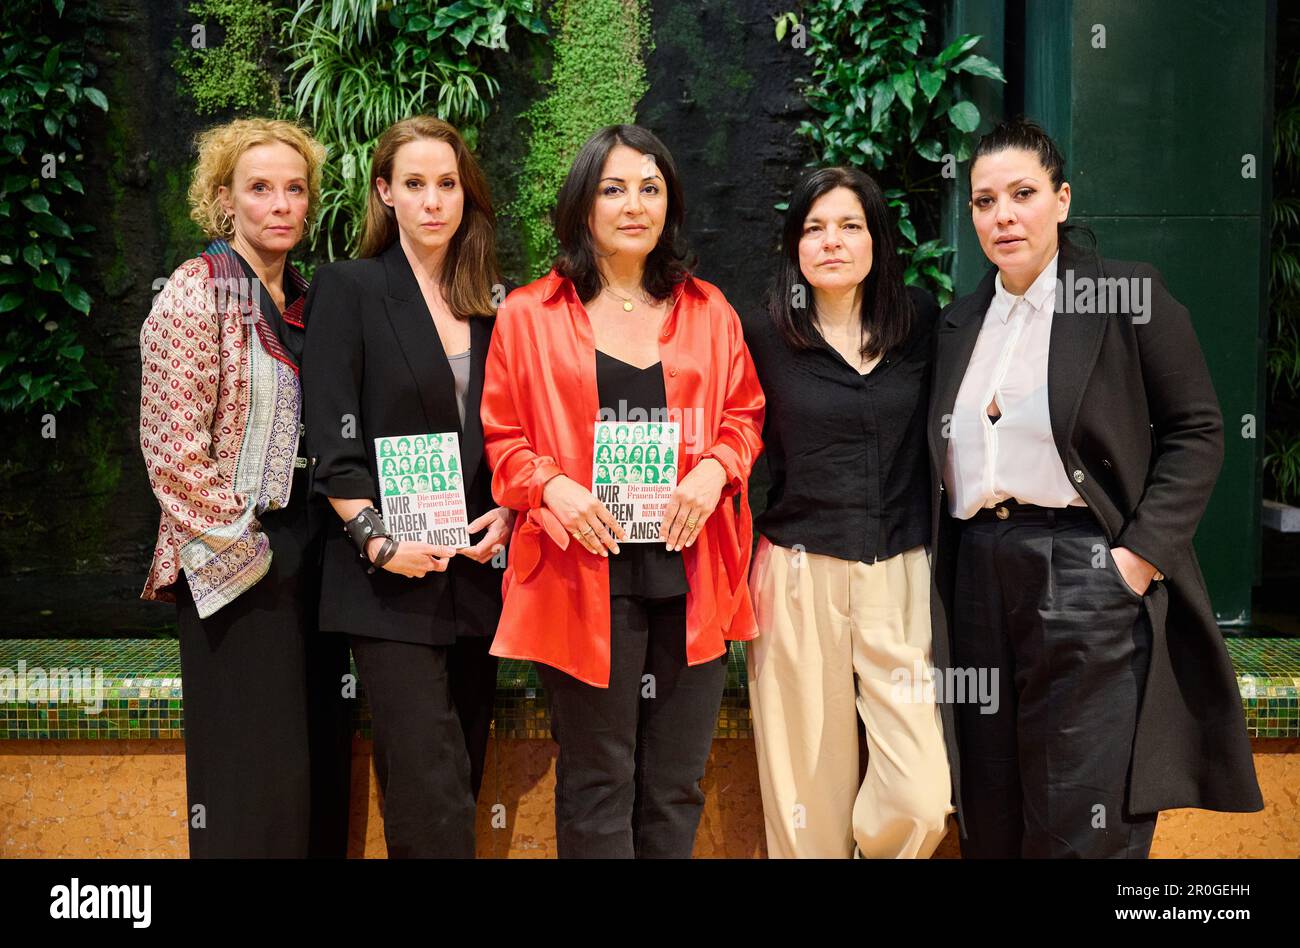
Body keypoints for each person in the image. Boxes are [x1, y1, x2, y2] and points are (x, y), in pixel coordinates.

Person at [929, 118, 1263, 858]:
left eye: (1022, 194)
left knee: (1080, 815)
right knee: (989, 804)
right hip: (977, 572)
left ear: (1063, 199)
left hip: (1083, 568)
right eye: (985, 202)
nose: (1003, 216)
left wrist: (1136, 560)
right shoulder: (962, 319)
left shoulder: (1123, 295)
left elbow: (1200, 431)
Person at [480, 124, 765, 858]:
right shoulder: (528, 314)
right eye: (613, 189)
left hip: (691, 574)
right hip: (582, 574)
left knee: (676, 784)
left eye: (650, 188)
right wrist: (550, 489)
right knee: (596, 782)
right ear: (583, 206)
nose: (633, 204)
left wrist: (715, 468)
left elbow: (745, 417)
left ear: (670, 204)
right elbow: (504, 442)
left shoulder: (710, 310)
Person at [139, 117, 351, 858]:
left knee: (311, 755)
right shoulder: (196, 294)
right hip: (234, 556)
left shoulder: (306, 297)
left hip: (314, 548)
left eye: (295, 189)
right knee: (250, 769)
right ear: (223, 199)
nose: (280, 204)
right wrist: (246, 553)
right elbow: (172, 455)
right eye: (259, 189)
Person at [302, 115, 513, 858]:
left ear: (466, 194)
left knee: (460, 779)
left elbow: (515, 434)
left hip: (477, 580)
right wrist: (376, 539)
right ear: (385, 192)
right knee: (428, 793)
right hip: (387, 582)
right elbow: (332, 440)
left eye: (447, 184)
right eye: (415, 184)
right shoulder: (350, 288)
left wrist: (511, 514)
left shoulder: (495, 301)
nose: (433, 201)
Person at [743, 166, 954, 859]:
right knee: (806, 806)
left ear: (877, 239)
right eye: (814, 228)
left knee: (923, 797)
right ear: (794, 246)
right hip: (798, 577)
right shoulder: (762, 335)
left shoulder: (922, 323)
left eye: (850, 225)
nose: (832, 242)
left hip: (901, 575)